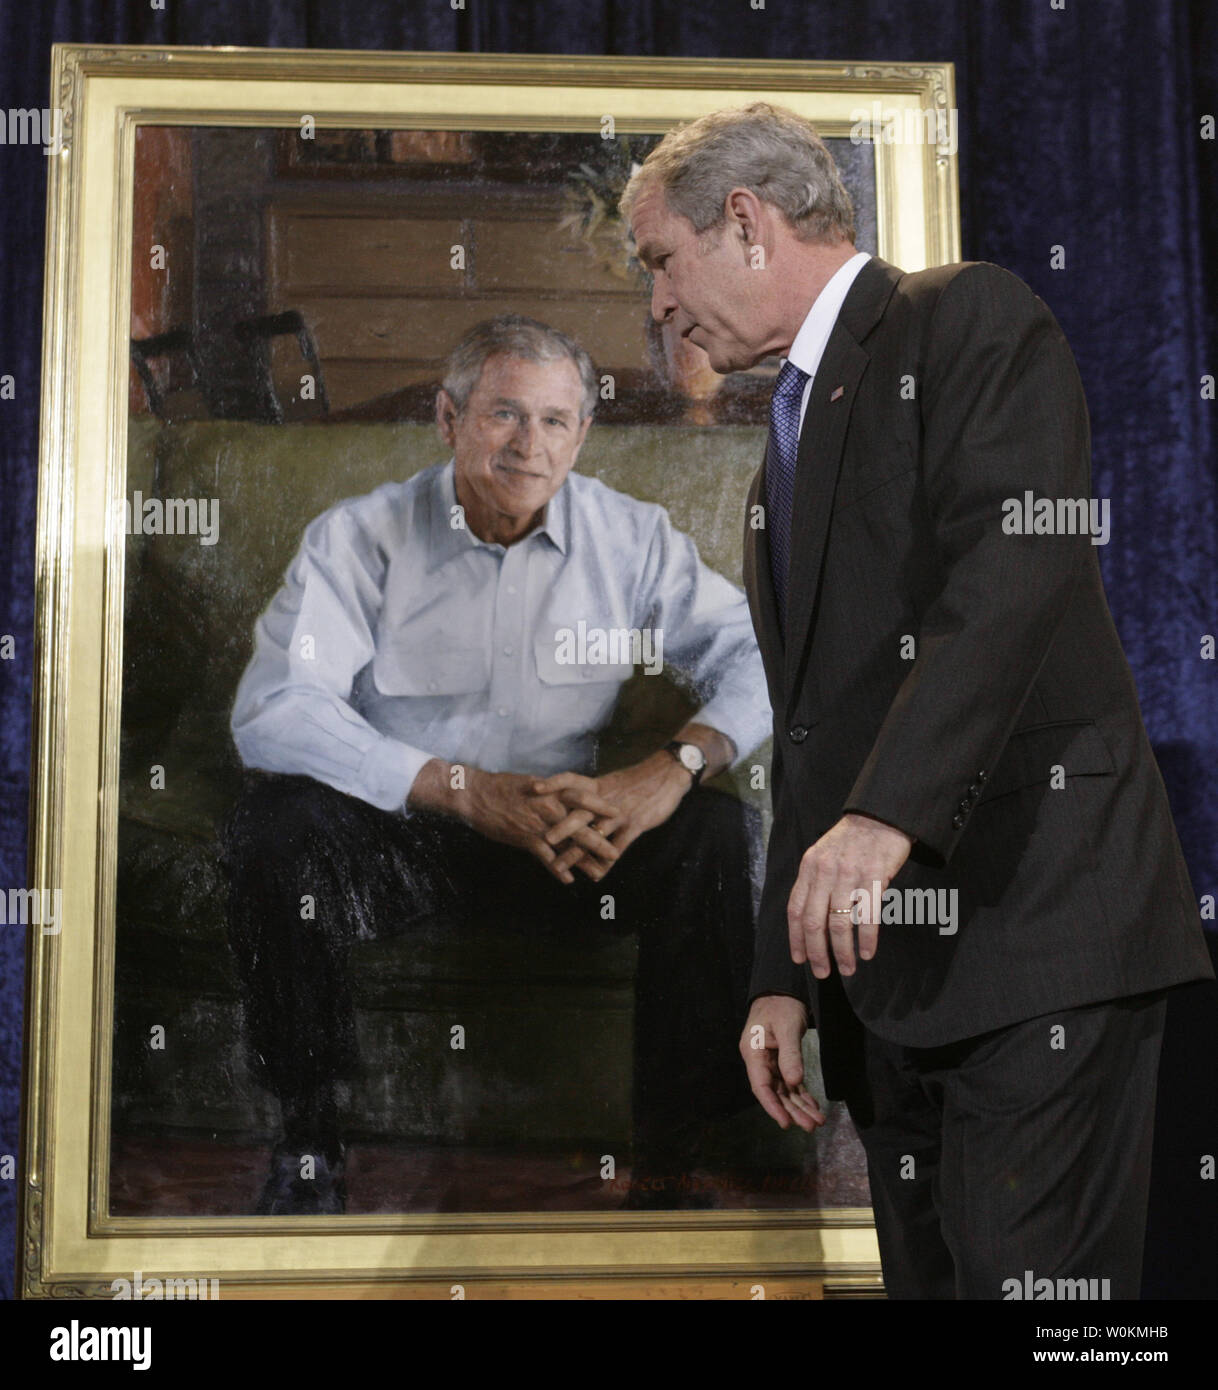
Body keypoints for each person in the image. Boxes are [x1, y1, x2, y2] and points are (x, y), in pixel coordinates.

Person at [621, 103, 1214, 1299]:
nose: (657, 304)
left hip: (1040, 940)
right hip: (894, 989)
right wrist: (782, 975)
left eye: (658, 260)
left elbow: (1016, 571)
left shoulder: (967, 317)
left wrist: (888, 819)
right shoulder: (777, 459)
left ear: (744, 220)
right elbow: (810, 736)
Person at [222, 314, 770, 1214]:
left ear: (583, 433)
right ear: (447, 419)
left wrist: (673, 766)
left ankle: (672, 1165)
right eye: (504, 415)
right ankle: (307, 1144)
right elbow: (275, 709)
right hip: (401, 836)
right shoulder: (361, 538)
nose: (531, 445)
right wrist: (454, 787)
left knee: (717, 833)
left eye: (556, 421)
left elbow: (759, 655)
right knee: (271, 832)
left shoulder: (631, 540)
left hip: (564, 840)